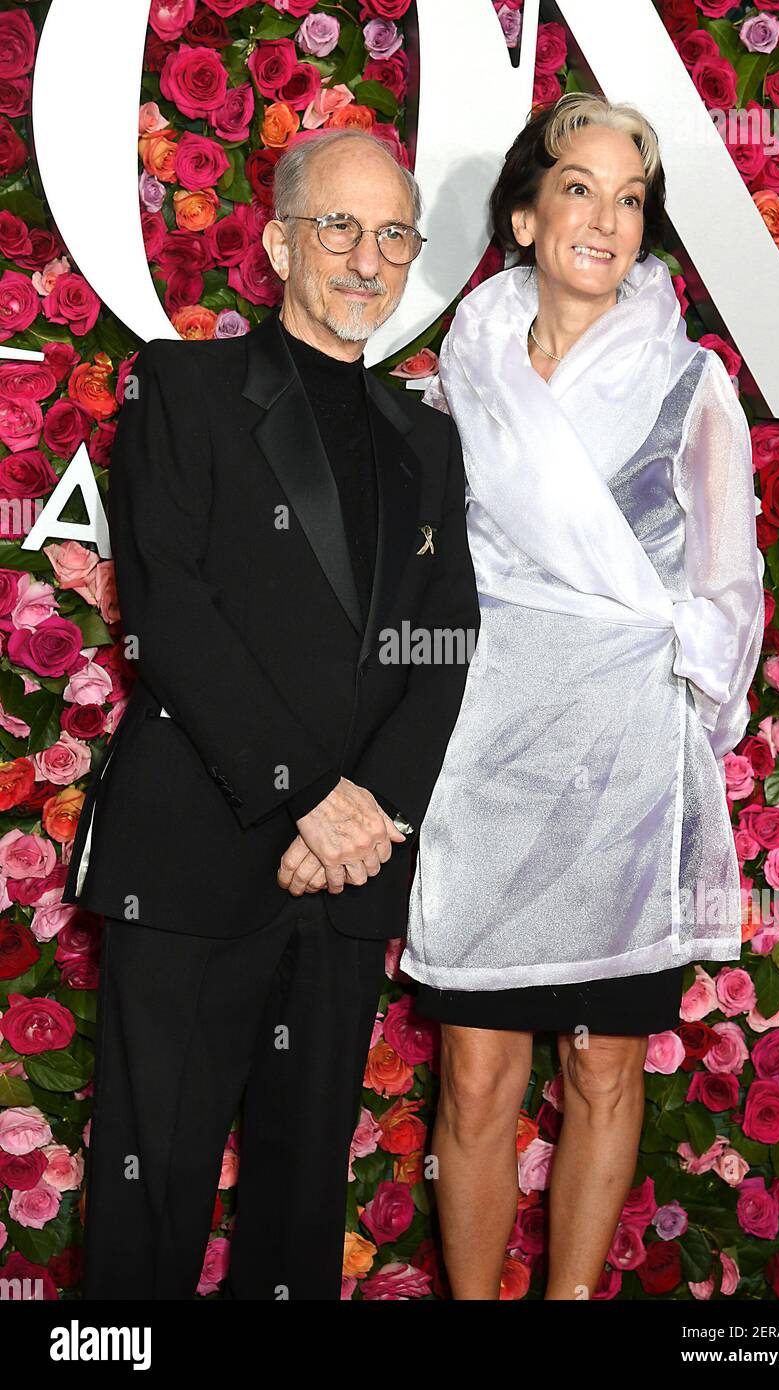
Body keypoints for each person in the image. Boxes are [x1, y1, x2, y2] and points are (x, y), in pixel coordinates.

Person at [61, 129, 480, 1300]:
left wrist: (377, 810)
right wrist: (313, 802)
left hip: (344, 885)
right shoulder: (182, 386)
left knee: (300, 1212)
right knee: (150, 1203)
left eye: (392, 232)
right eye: (339, 226)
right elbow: (171, 610)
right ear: (278, 240)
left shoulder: (427, 441)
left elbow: (445, 642)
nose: (366, 256)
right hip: (198, 860)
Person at [400, 92, 765, 1299]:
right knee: (474, 1076)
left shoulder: (688, 383)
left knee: (605, 1069)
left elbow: (723, 588)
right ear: (521, 215)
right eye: (578, 187)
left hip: (620, 770)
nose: (605, 217)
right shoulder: (457, 383)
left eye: (629, 197)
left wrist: (681, 724)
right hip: (485, 763)